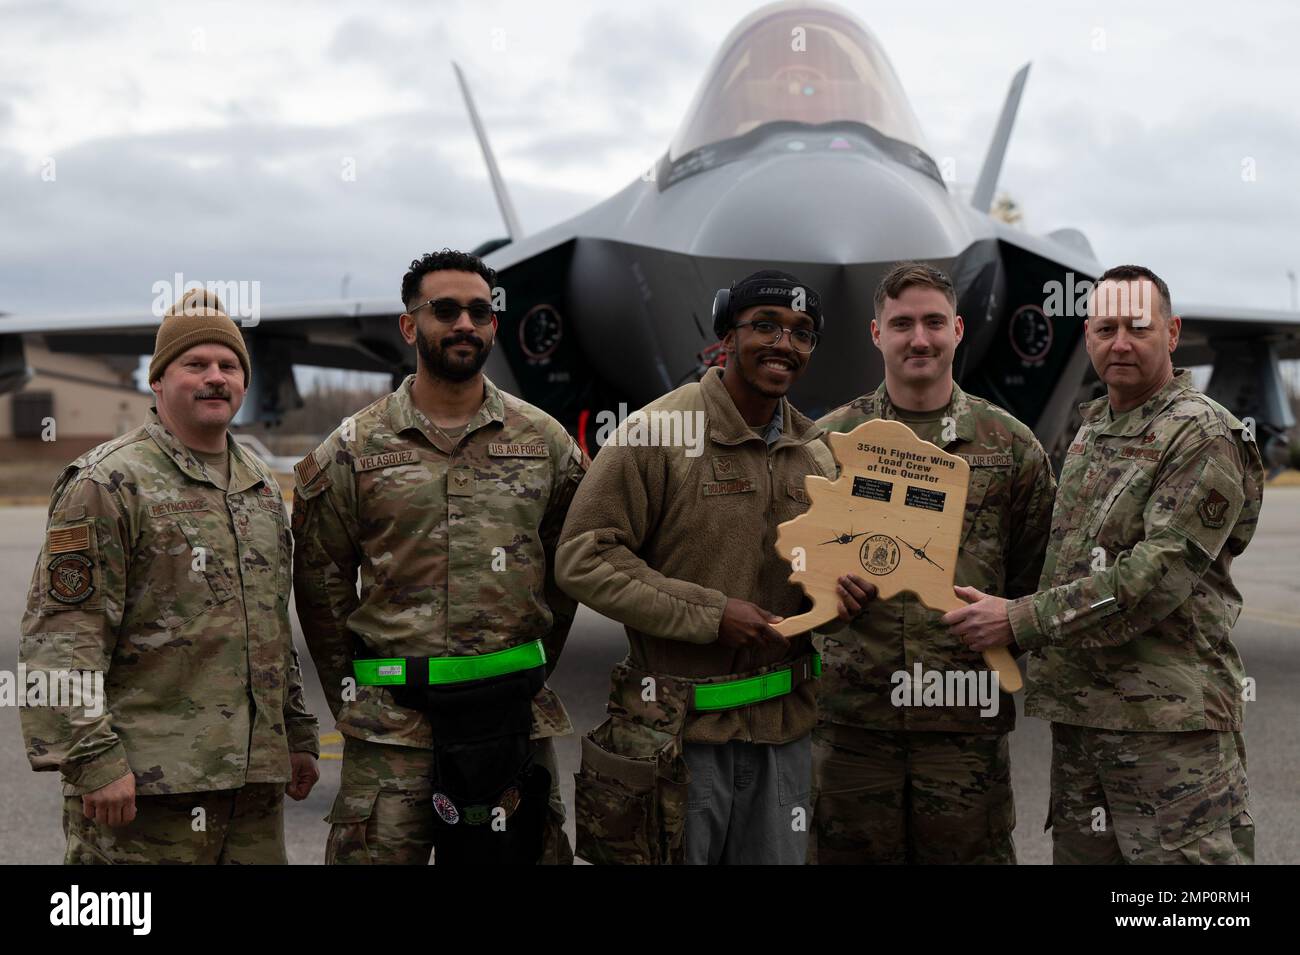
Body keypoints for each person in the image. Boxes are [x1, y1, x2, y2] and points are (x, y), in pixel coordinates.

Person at [945, 265, 1262, 863]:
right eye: (1105, 327)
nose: (1120, 342)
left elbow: (1156, 577)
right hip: (1085, 720)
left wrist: (1020, 621)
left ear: (1172, 333)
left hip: (1168, 731)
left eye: (1137, 327)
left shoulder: (1201, 433)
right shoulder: (1093, 430)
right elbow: (1062, 557)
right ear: (1087, 334)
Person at [557, 270, 873, 865]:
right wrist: (711, 615)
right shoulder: (656, 434)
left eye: (803, 333)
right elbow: (583, 556)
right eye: (766, 326)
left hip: (783, 734)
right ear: (727, 334)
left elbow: (819, 592)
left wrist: (841, 600)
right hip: (680, 738)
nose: (784, 344)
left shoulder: (818, 455)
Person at [293, 249, 587, 864]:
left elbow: (568, 570)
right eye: (445, 310)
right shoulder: (352, 448)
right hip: (392, 731)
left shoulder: (546, 442)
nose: (464, 325)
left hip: (513, 723)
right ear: (409, 325)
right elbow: (320, 586)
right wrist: (352, 696)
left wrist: (528, 670)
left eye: (480, 311)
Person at [19, 288, 319, 864]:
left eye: (228, 366)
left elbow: (270, 629)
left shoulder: (257, 484)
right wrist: (93, 760)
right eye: (195, 364)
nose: (214, 378)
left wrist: (298, 735)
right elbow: (60, 639)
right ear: (158, 382)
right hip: (145, 791)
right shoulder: (107, 483)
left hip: (251, 791)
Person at [813, 262, 1056, 864]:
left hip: (963, 727)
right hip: (853, 726)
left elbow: (1037, 576)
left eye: (932, 323)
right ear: (876, 334)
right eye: (901, 324)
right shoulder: (829, 443)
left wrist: (1010, 621)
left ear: (957, 329)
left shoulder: (1009, 446)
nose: (918, 338)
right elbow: (789, 570)